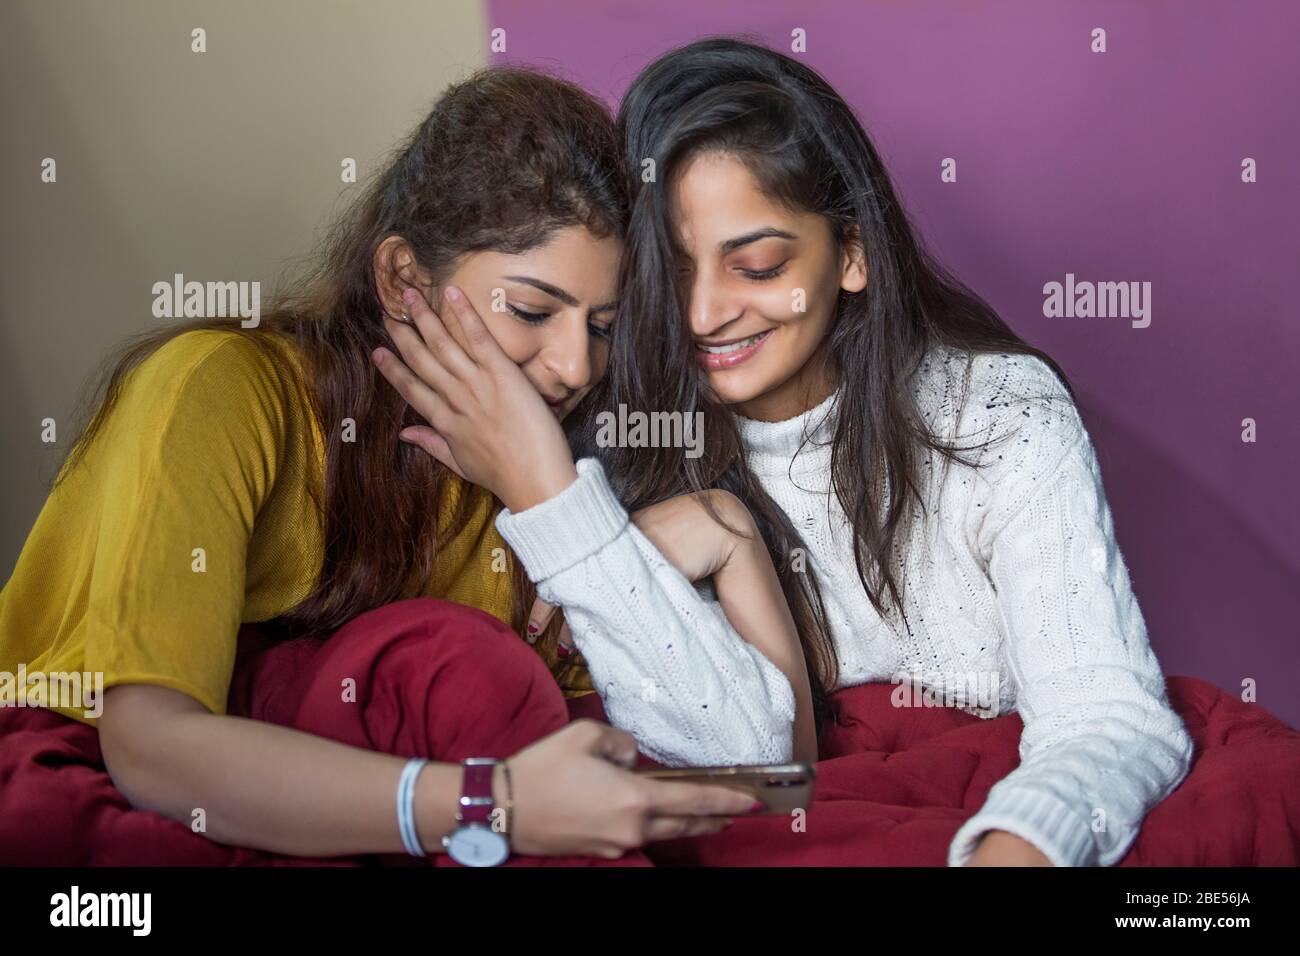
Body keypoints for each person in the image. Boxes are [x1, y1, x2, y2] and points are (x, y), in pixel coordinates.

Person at [387, 40, 1195, 868]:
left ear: (852, 253)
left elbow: (1105, 713)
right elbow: (744, 771)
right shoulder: (619, 439)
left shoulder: (997, 411)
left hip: (997, 805)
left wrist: (1014, 849)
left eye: (759, 265)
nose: (703, 315)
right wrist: (636, 525)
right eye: (670, 273)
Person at [0, 66, 760, 864]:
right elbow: (151, 751)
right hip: (107, 779)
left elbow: (737, 759)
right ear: (403, 279)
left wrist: (575, 501)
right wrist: (490, 805)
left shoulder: (530, 474)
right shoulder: (218, 387)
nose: (575, 365)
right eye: (532, 311)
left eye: (602, 327)